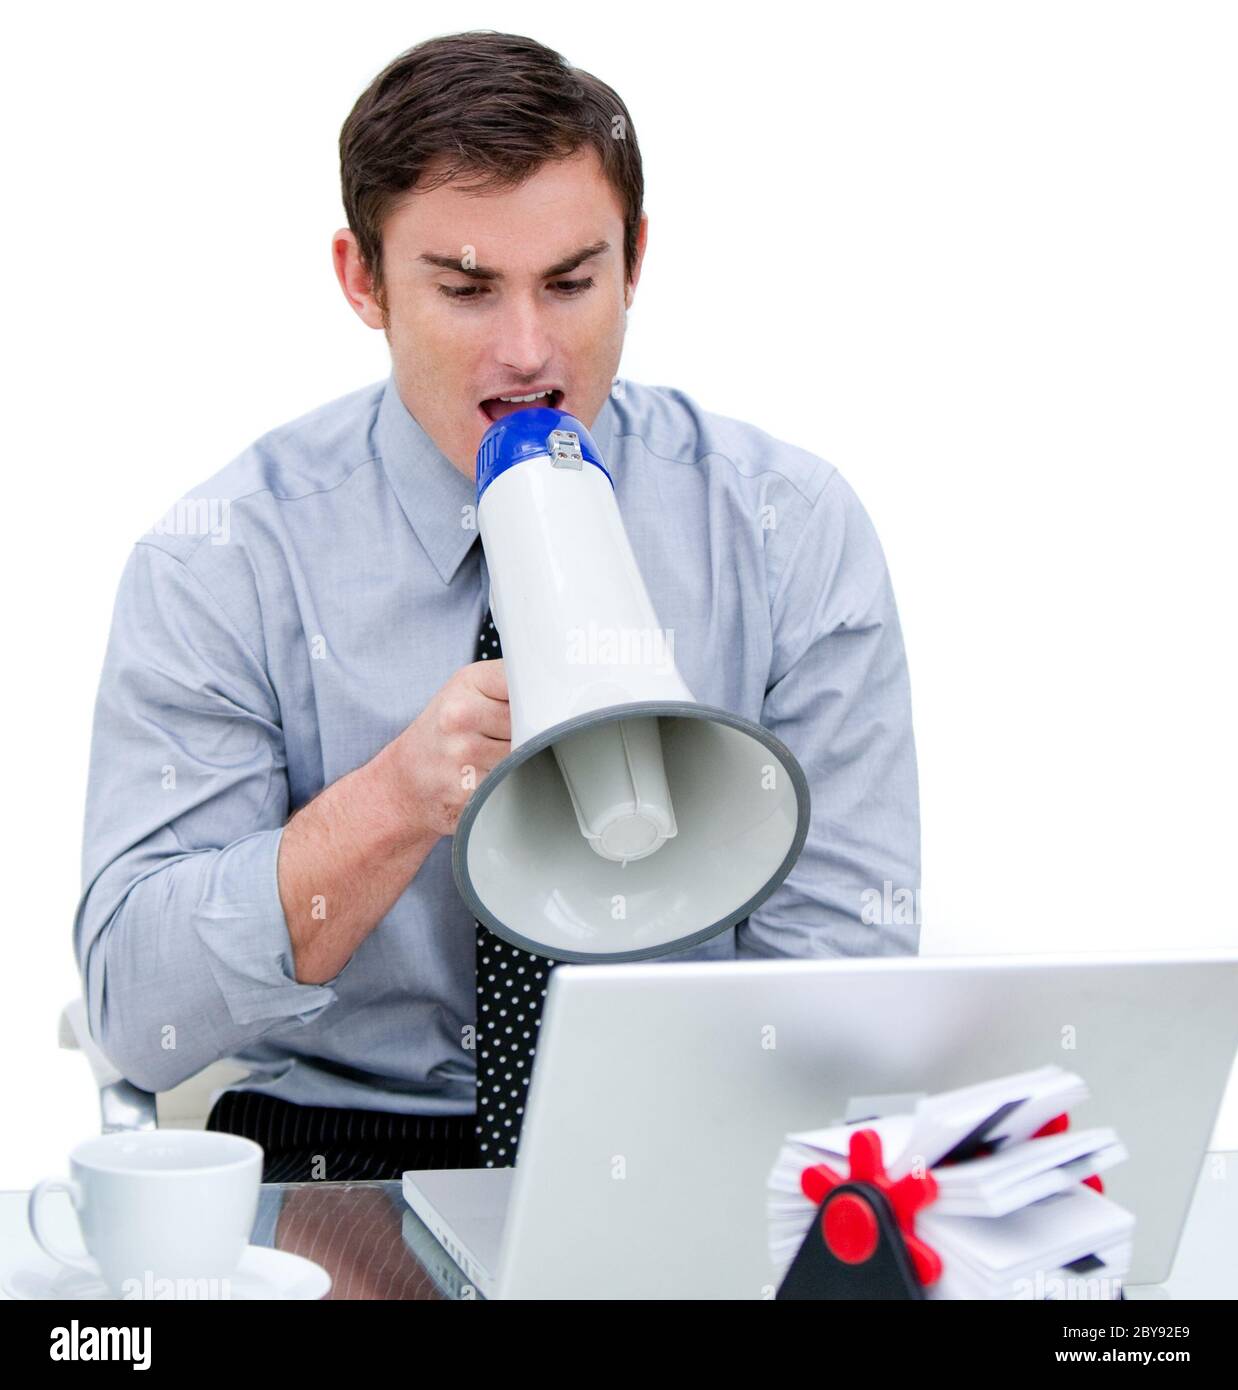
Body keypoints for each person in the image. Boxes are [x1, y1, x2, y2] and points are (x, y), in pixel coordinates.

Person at [73, 30, 921, 1183]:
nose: (529, 353)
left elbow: (841, 980)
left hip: (678, 1144)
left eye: (571, 282)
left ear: (634, 259)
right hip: (343, 1147)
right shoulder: (225, 557)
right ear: (363, 279)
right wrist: (392, 803)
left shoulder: (787, 530)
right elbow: (139, 1016)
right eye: (467, 289)